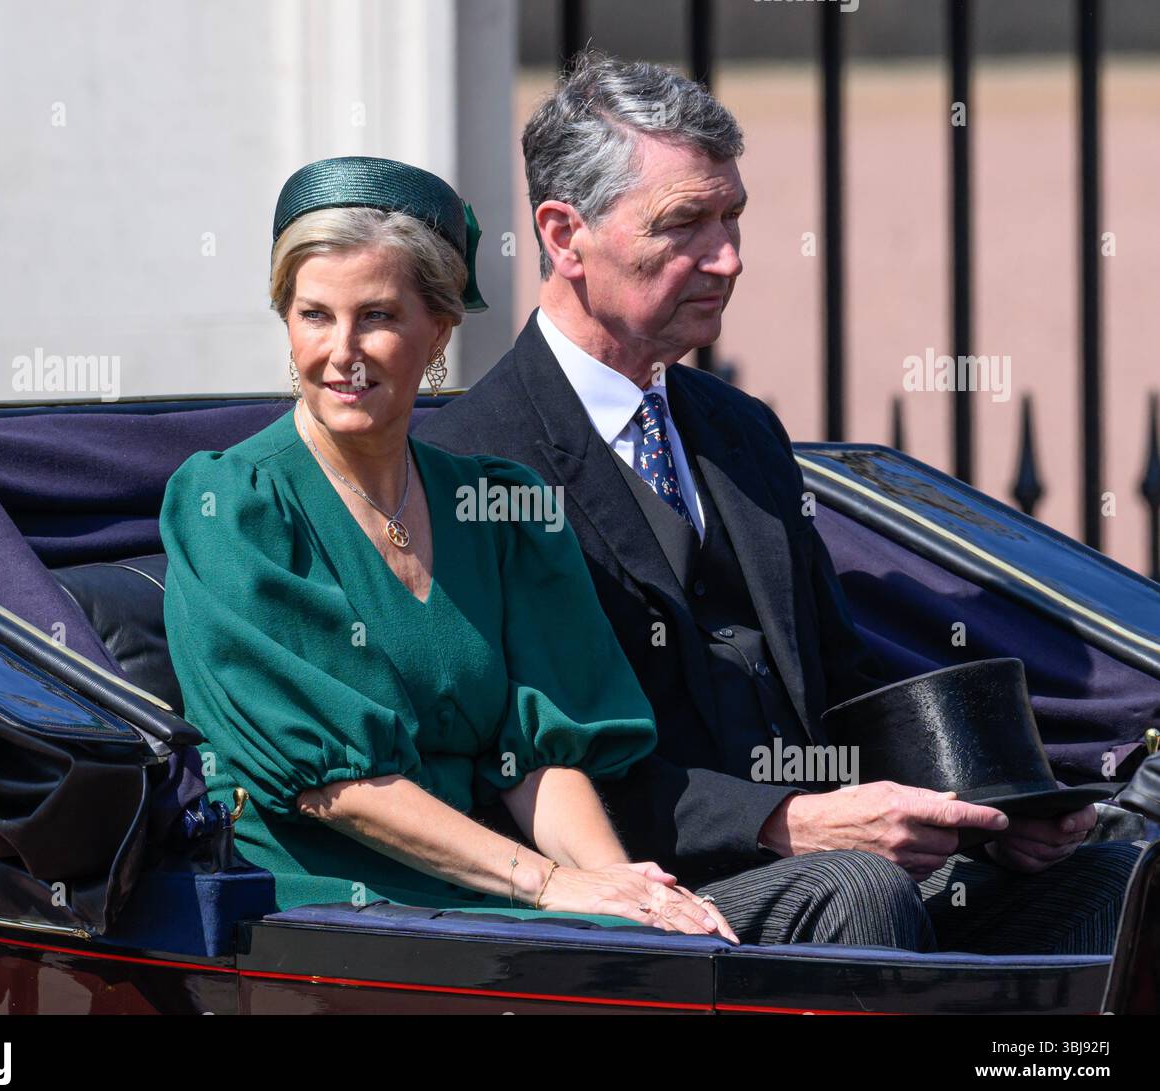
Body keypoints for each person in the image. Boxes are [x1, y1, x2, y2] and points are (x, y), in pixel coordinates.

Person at [416, 52, 1140, 954]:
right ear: (564, 237)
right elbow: (515, 761)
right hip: (636, 902)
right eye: (686, 224)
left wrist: (989, 808)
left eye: (734, 217)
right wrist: (786, 821)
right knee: (860, 887)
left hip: (827, 870)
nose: (728, 257)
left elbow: (840, 683)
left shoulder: (741, 431)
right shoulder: (465, 462)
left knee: (1122, 877)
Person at [159, 155, 735, 940]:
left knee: (848, 892)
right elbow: (339, 784)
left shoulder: (500, 508)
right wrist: (551, 884)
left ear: (439, 328)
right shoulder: (233, 506)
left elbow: (540, 755)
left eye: (379, 316)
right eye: (315, 315)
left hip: (500, 907)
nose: (342, 352)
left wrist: (623, 896)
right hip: (322, 921)